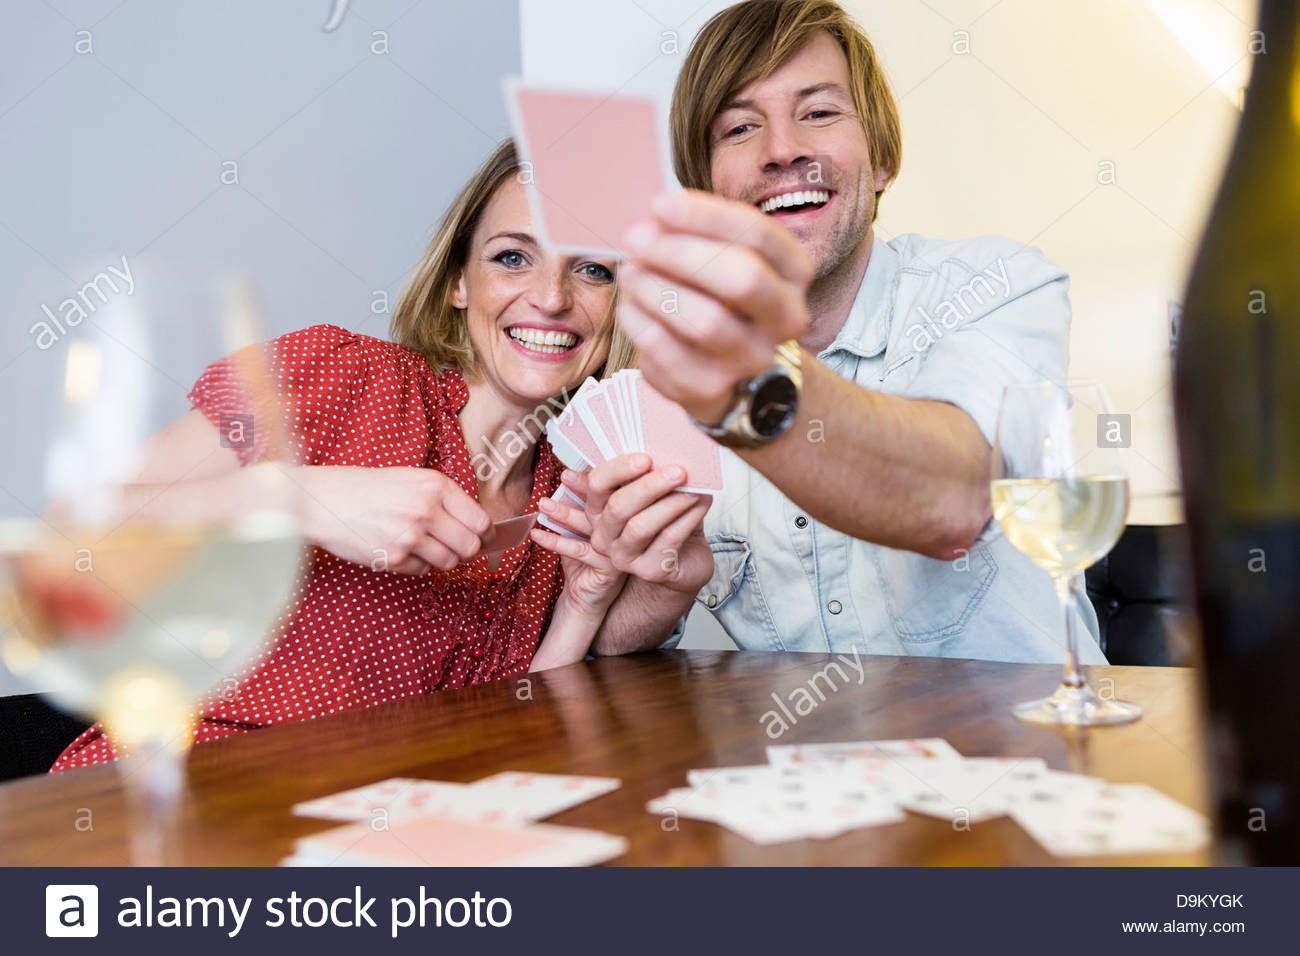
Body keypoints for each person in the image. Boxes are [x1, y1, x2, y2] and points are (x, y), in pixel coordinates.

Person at [51, 140, 713, 771]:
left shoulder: (570, 494)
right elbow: (72, 534)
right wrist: (300, 497)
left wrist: (585, 603)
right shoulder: (344, 377)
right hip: (184, 800)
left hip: (378, 839)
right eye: (513, 257)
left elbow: (522, 726)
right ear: (459, 281)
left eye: (593, 269)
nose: (551, 297)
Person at [567, 0, 1104, 664]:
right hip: (807, 762)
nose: (783, 150)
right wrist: (661, 592)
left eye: (819, 113)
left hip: (1028, 758)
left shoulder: (997, 284)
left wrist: (747, 385)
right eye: (739, 127)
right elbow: (617, 656)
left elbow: (950, 501)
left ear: (880, 161)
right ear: (704, 187)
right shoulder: (660, 392)